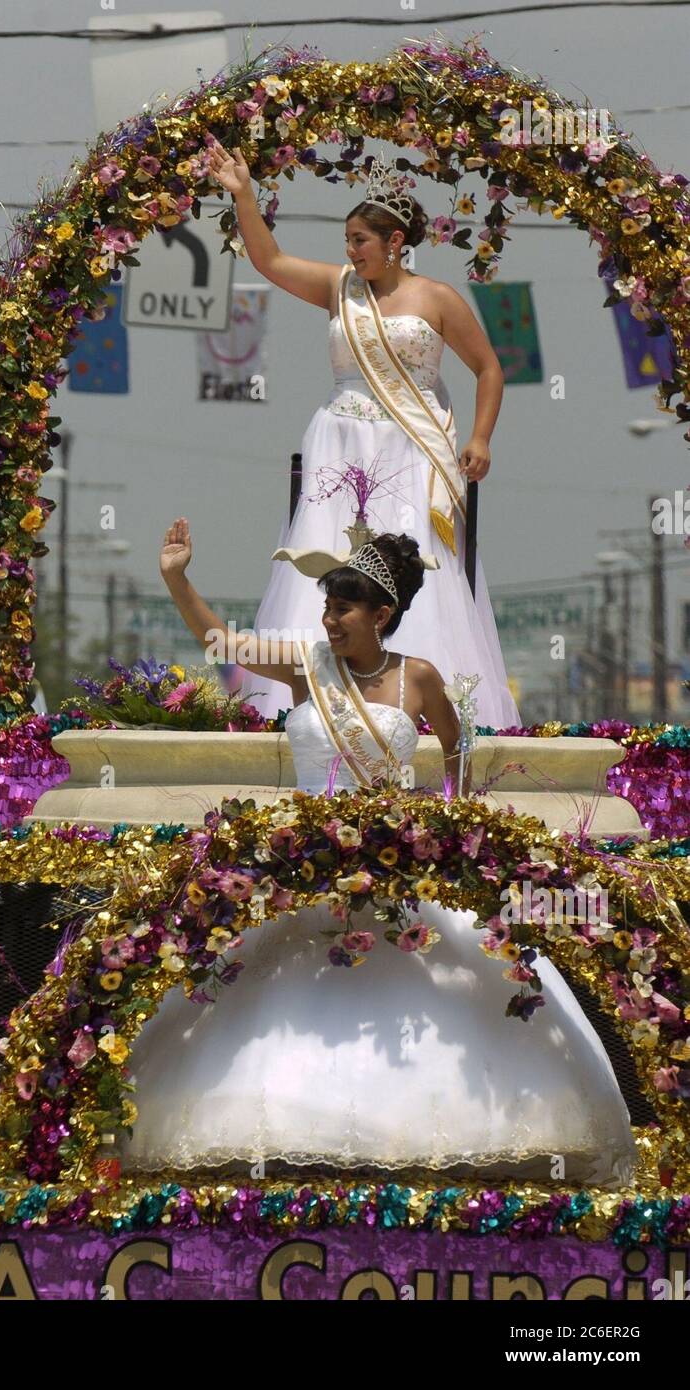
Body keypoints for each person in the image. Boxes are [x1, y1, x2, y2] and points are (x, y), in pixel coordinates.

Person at [113, 517, 638, 1187]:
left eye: (342, 608)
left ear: (380, 613)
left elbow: (457, 746)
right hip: (299, 874)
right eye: (326, 607)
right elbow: (222, 641)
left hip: (397, 875)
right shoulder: (308, 666)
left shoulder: (416, 677)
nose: (329, 620)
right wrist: (176, 576)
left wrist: (451, 819)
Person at [207, 138, 520, 729]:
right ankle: (303, 701)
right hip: (340, 437)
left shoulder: (438, 297)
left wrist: (480, 438)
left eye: (360, 241)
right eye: (347, 241)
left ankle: (429, 700)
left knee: (411, 555)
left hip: (413, 443)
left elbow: (489, 369)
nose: (351, 251)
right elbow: (268, 261)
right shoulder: (338, 286)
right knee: (325, 552)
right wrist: (244, 194)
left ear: (395, 242)